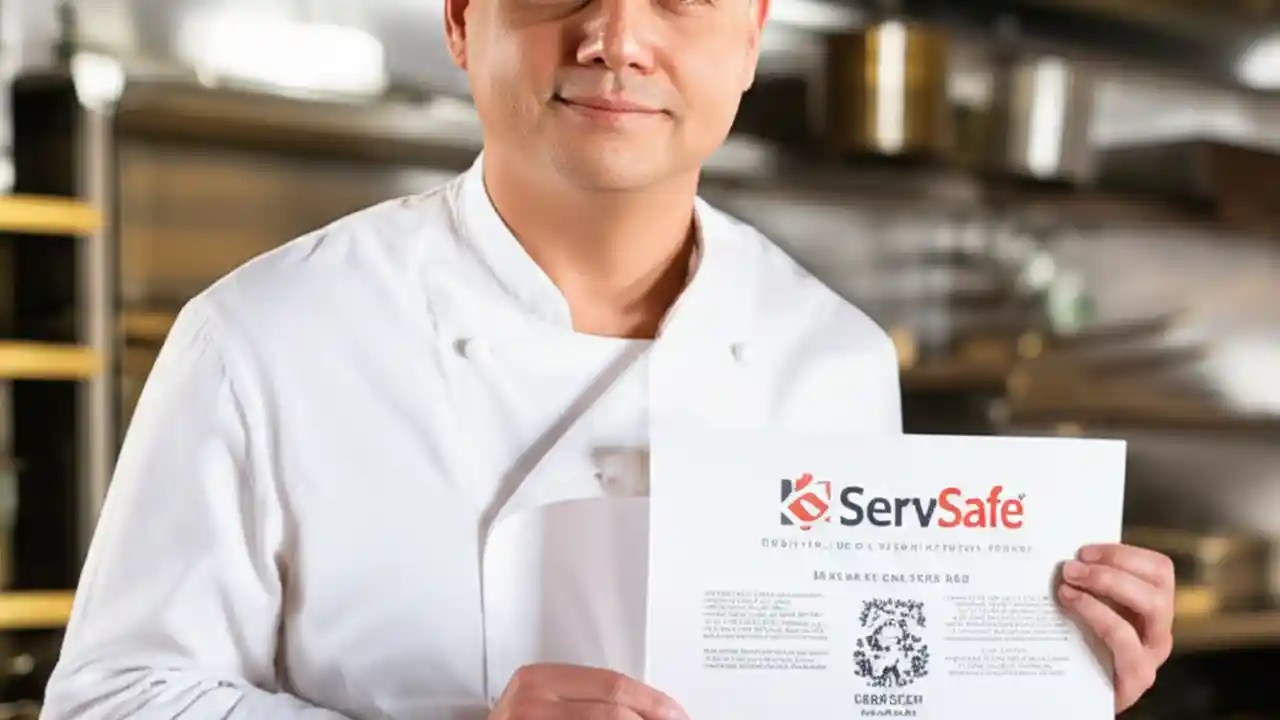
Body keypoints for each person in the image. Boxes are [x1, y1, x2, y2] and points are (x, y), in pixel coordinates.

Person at [42, 0, 1175, 715]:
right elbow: (112, 701)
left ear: (749, 37)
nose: (616, 38)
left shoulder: (831, 356)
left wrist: (1040, 679)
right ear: (459, 19)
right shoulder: (263, 336)